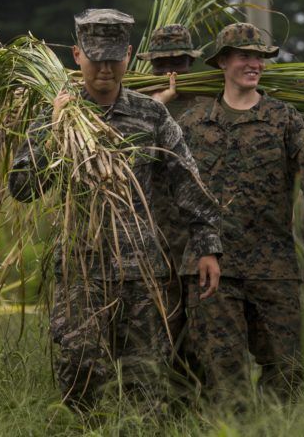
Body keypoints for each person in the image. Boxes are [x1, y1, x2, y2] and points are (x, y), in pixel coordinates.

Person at [8, 9, 222, 411]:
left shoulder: (151, 114)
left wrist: (206, 244)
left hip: (141, 271)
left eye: (113, 58)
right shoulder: (56, 115)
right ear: (77, 55)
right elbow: (22, 188)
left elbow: (186, 181)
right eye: (95, 58)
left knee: (145, 386)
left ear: (128, 55)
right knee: (80, 377)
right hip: (80, 271)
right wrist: (55, 132)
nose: (104, 68)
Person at [178, 22, 304, 405]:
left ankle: (273, 427)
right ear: (224, 62)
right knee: (222, 375)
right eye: (245, 55)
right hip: (212, 268)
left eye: (260, 57)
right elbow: (165, 183)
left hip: (272, 266)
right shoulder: (193, 122)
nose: (254, 63)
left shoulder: (284, 120)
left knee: (291, 365)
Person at [135, 24, 207, 383]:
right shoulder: (136, 108)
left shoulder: (209, 108)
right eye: (161, 64)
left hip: (200, 240)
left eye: (177, 62)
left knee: (204, 328)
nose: (170, 72)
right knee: (159, 324)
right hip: (153, 238)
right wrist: (152, 108)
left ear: (190, 63)